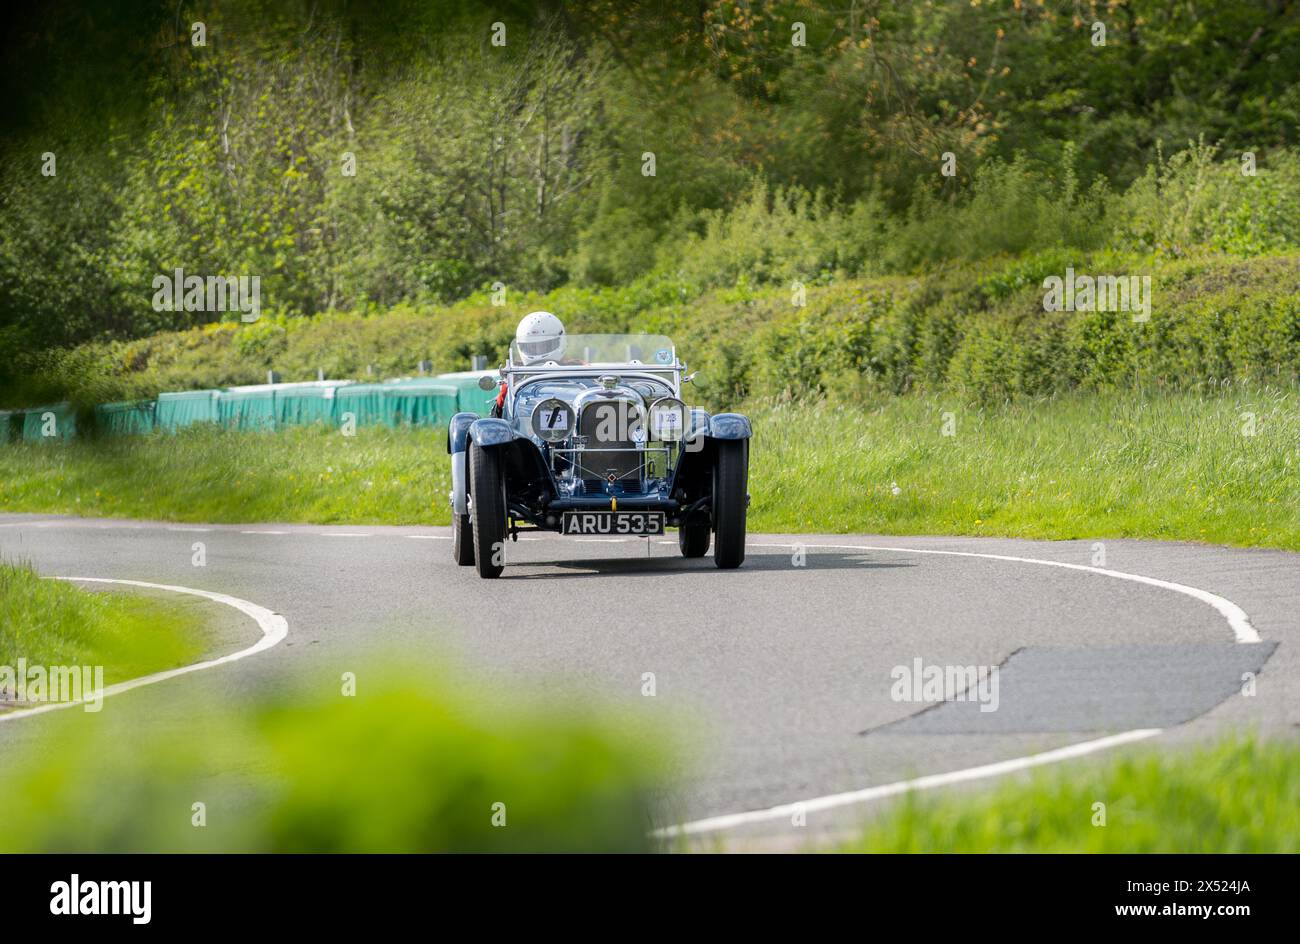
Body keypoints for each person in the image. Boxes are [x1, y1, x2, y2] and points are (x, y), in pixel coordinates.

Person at [492, 311, 565, 417]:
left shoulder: (576, 368)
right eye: (531, 347)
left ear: (560, 341)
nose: (538, 351)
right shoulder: (515, 376)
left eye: (545, 345)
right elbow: (497, 419)